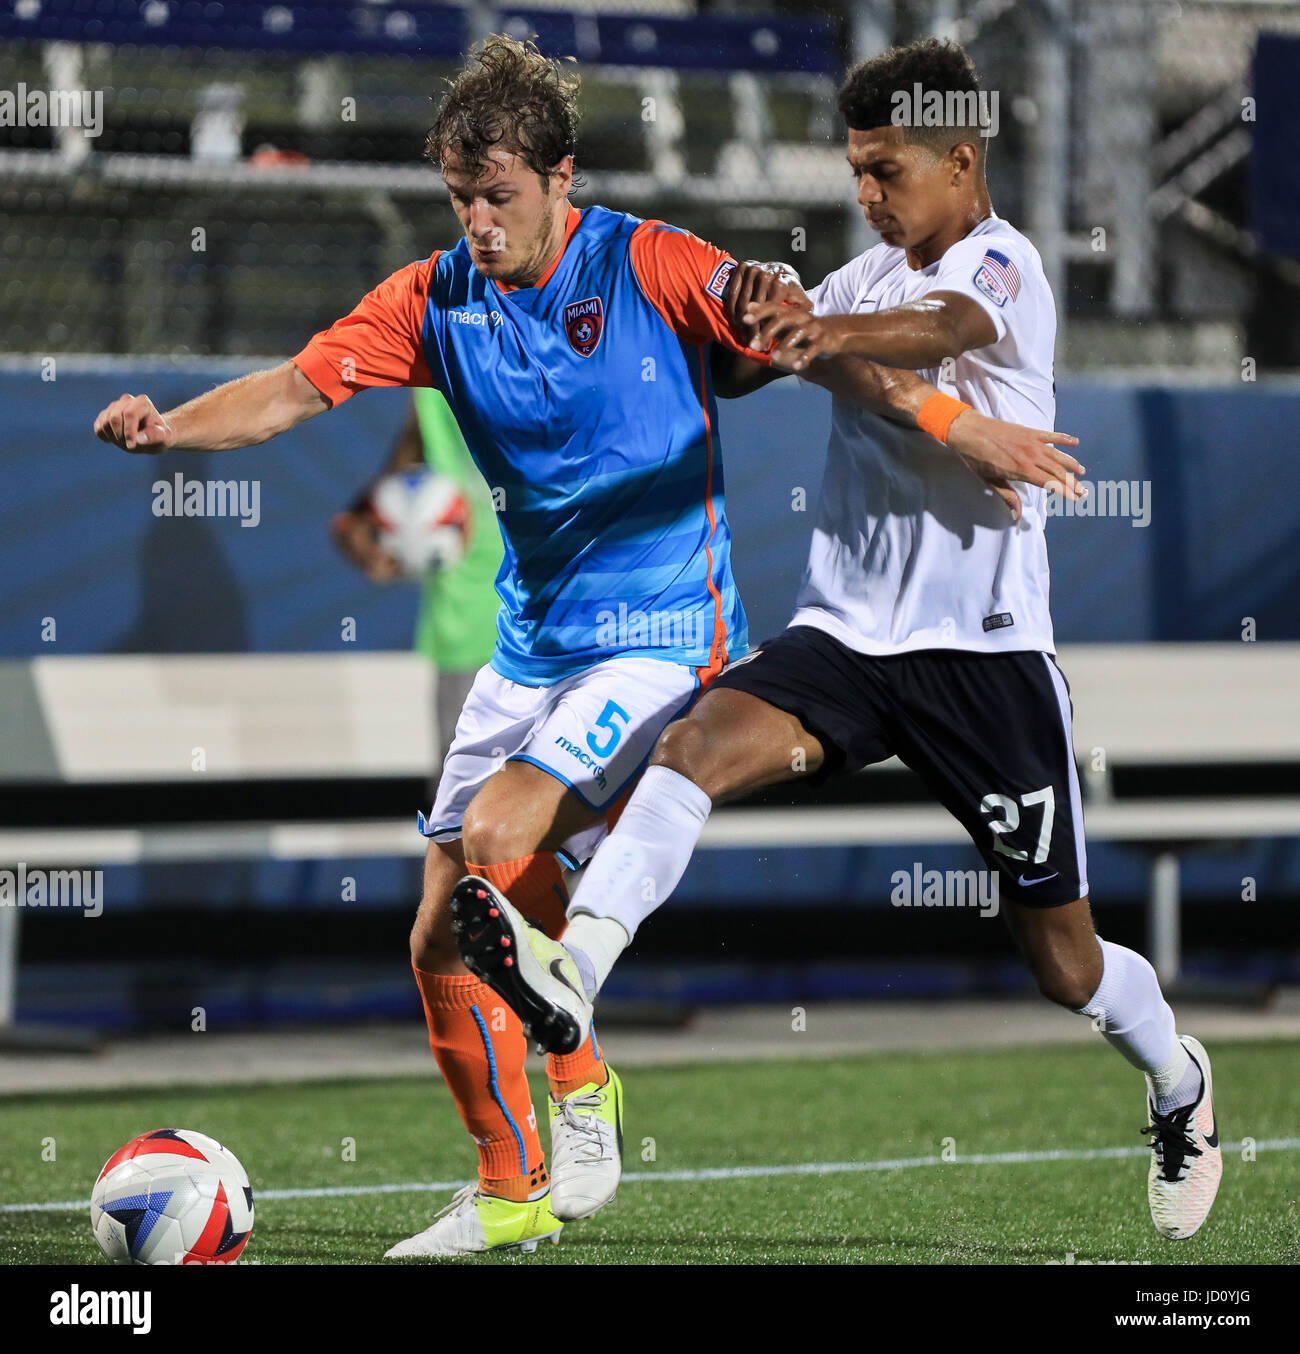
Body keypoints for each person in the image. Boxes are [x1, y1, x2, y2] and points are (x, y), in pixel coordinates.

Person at [94, 35, 1083, 1257]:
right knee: (436, 923)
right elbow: (295, 390)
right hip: (532, 642)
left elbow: (790, 332)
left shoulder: (651, 262)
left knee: (503, 837)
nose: (478, 221)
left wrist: (933, 406)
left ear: (561, 177)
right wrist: (168, 429)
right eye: (459, 198)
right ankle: (513, 1186)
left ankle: (578, 1086)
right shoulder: (433, 297)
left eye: (497, 196)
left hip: (663, 633)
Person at [451, 37, 1222, 1244]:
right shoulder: (856, 281)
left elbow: (937, 325)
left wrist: (869, 358)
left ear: (960, 160)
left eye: (885, 169)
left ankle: (1176, 1079)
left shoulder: (1004, 266)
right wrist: (758, 322)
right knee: (693, 744)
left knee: (1064, 966)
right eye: (855, 170)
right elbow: (788, 358)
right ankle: (576, 973)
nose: (865, 193)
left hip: (984, 659)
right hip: (845, 640)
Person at [331, 388, 502, 776]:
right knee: (464, 802)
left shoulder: (572, 355)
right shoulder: (435, 373)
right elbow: (406, 457)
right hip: (469, 629)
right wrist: (368, 528)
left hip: (554, 626)